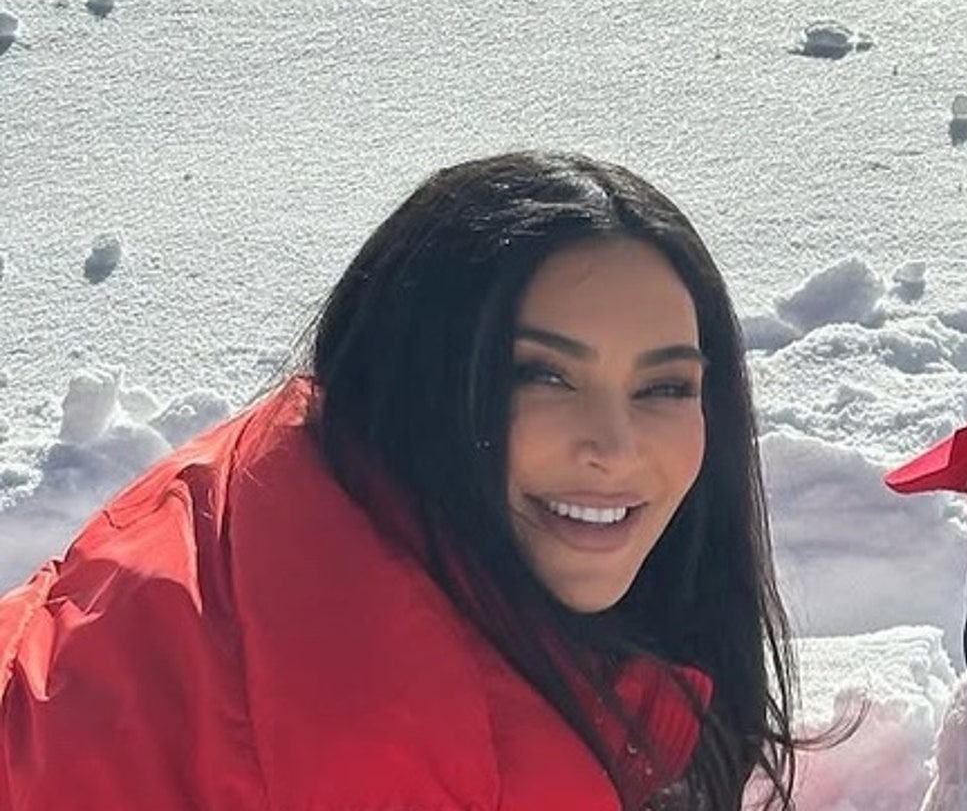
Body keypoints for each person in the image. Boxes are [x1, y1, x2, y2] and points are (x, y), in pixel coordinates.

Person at [0, 151, 803, 811]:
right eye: (540, 377)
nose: (617, 448)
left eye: (664, 387)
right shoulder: (416, 752)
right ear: (422, 375)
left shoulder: (305, 451)